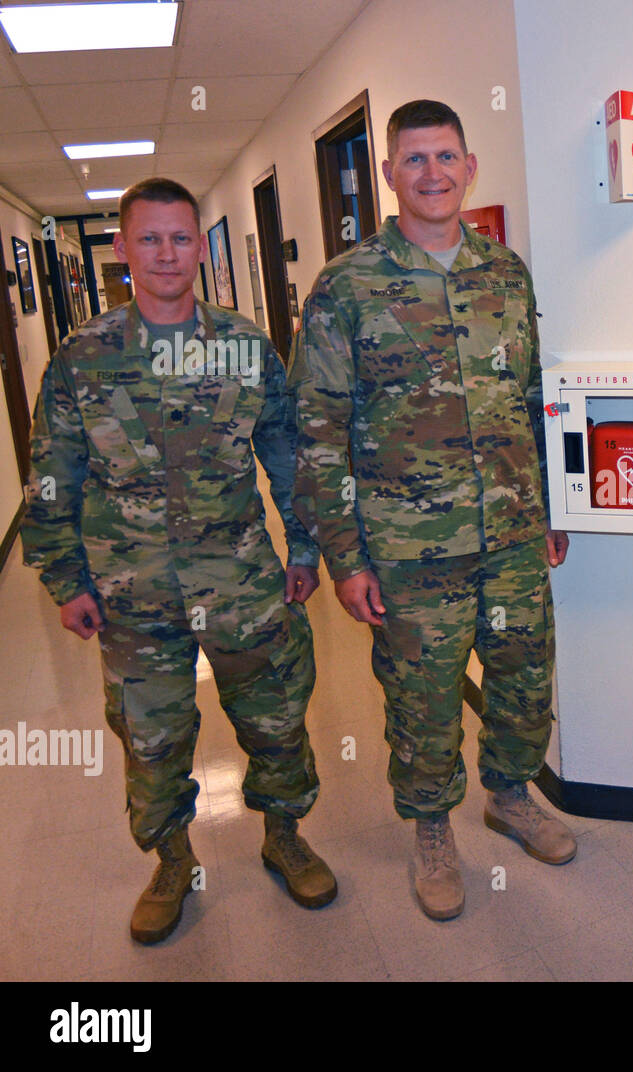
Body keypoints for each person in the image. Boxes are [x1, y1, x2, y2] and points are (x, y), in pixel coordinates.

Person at [22, 178, 336, 945]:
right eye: (149, 239)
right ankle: (170, 860)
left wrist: (303, 545)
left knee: (277, 718)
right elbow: (52, 471)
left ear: (201, 245)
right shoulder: (83, 358)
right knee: (152, 738)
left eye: (181, 238)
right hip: (134, 594)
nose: (167, 253)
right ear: (124, 250)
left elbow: (285, 451)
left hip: (241, 581)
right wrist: (65, 579)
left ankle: (285, 835)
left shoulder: (243, 344)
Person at [290, 100, 572, 923]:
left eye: (446, 156)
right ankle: (431, 829)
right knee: (424, 700)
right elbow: (318, 430)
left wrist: (551, 504)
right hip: (409, 548)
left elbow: (530, 397)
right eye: (414, 160)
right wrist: (345, 557)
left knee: (524, 680)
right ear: (388, 175)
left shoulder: (506, 274)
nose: (433, 174)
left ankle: (513, 796)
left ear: (469, 165)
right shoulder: (347, 286)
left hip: (514, 533)